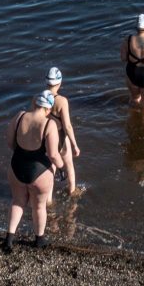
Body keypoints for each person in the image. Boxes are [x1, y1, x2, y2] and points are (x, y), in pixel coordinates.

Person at [5, 91, 63, 251]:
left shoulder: (20, 116)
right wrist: (62, 167)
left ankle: (9, 238)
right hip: (39, 171)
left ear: (35, 104)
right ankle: (39, 240)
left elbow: (10, 141)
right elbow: (53, 154)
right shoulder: (49, 124)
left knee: (17, 201)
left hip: (16, 166)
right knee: (39, 206)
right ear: (48, 109)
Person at [45, 66, 84, 197]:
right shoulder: (61, 101)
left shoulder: (37, 98)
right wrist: (75, 145)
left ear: (46, 82)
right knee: (69, 166)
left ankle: (48, 200)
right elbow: (67, 126)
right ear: (60, 82)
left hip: (44, 139)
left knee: (51, 169)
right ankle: (72, 193)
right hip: (59, 138)